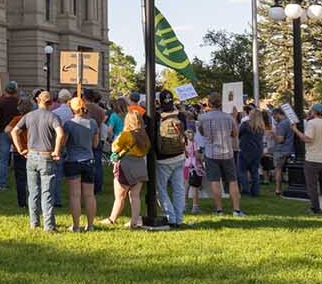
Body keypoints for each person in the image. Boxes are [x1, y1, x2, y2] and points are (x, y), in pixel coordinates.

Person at [17, 91, 65, 231]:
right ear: (50, 103)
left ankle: (34, 223)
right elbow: (61, 134)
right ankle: (49, 225)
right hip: (46, 156)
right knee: (47, 191)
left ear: (37, 101)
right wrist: (56, 150)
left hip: (31, 156)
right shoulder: (53, 116)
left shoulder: (29, 116)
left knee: (33, 191)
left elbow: (14, 131)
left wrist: (21, 148)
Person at [197, 93, 244, 217]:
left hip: (211, 153)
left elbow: (202, 133)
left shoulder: (203, 118)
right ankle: (236, 210)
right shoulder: (228, 118)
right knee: (232, 181)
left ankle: (219, 210)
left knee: (214, 181)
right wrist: (234, 118)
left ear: (209, 103)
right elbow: (235, 134)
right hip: (227, 152)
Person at [104, 108, 151, 228]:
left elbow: (114, 148)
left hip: (126, 166)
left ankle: (112, 219)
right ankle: (134, 221)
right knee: (135, 196)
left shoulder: (126, 135)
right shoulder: (145, 136)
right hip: (140, 165)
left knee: (120, 196)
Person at [150, 90, 189, 226]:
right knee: (179, 188)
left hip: (163, 157)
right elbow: (186, 133)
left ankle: (170, 217)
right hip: (179, 155)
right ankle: (179, 218)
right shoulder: (181, 115)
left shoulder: (156, 115)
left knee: (161, 189)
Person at [61, 95, 100, 232]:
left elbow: (63, 143)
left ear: (72, 109)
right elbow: (95, 144)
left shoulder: (69, 124)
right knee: (89, 195)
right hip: (88, 160)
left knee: (75, 195)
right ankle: (90, 225)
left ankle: (76, 226)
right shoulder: (93, 123)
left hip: (73, 160)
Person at [292, 104, 322, 214]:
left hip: (312, 158)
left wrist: (295, 130)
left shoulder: (312, 123)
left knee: (312, 185)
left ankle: (315, 208)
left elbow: (307, 138)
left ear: (314, 112)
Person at [0, 81, 22, 190]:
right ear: (15, 91)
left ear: (5, 90)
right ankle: (21, 182)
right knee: (19, 156)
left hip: (4, 132)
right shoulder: (19, 102)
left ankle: (2, 183)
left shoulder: (0, 102)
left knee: (3, 159)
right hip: (17, 131)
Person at [237, 109, 267, 198]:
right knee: (255, 172)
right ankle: (255, 191)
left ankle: (246, 190)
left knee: (242, 171)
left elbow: (238, 134)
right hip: (257, 151)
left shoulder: (245, 125)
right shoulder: (261, 126)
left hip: (245, 149)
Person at [271, 108, 295, 197]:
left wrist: (273, 134)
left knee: (278, 170)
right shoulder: (290, 122)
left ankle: (278, 190)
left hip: (280, 150)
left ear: (278, 114)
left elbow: (280, 139)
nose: (274, 118)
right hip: (289, 149)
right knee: (283, 170)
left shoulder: (282, 124)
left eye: (274, 116)